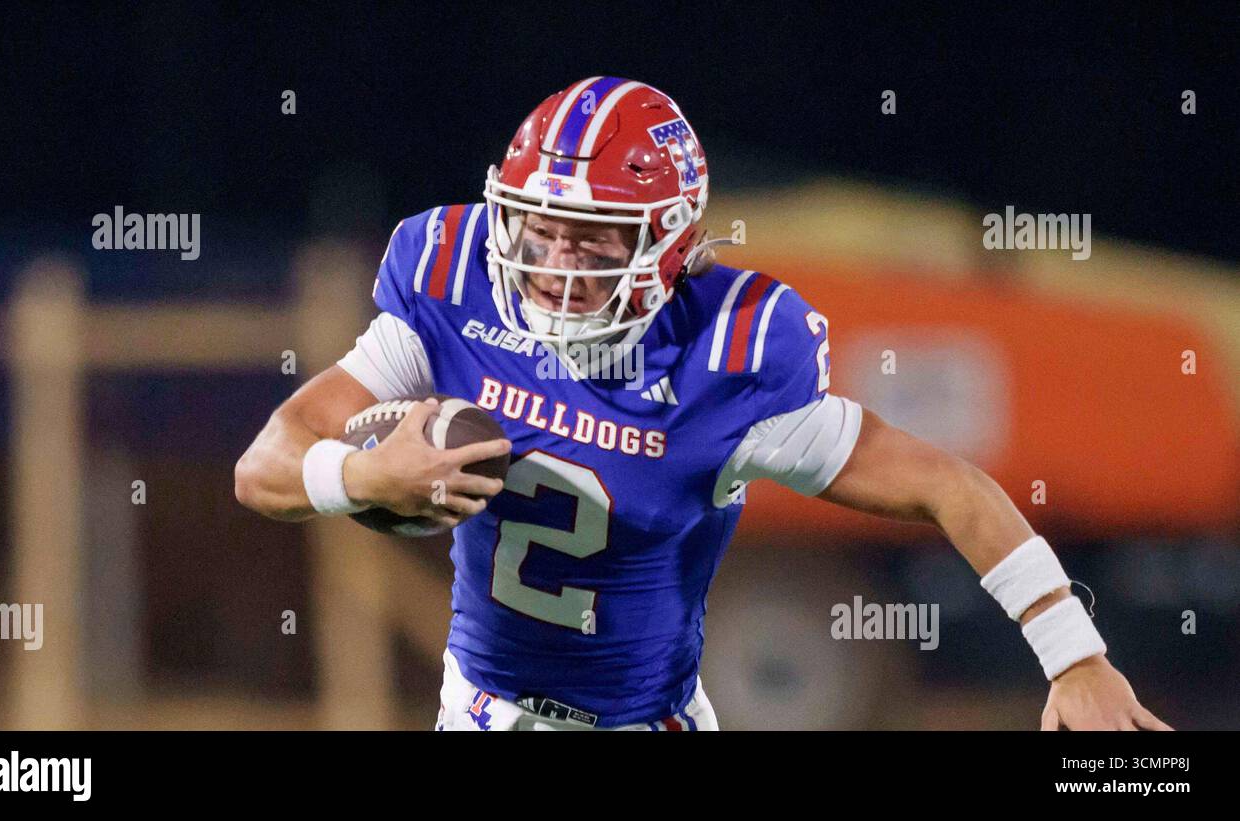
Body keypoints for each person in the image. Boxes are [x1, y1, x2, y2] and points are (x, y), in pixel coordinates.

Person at [235, 77, 1169, 731]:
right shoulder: (455, 288)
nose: (556, 266)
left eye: (595, 240)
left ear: (670, 247)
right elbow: (265, 463)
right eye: (540, 229)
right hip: (471, 713)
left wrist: (1074, 654)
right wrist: (362, 473)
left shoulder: (730, 359)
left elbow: (945, 485)